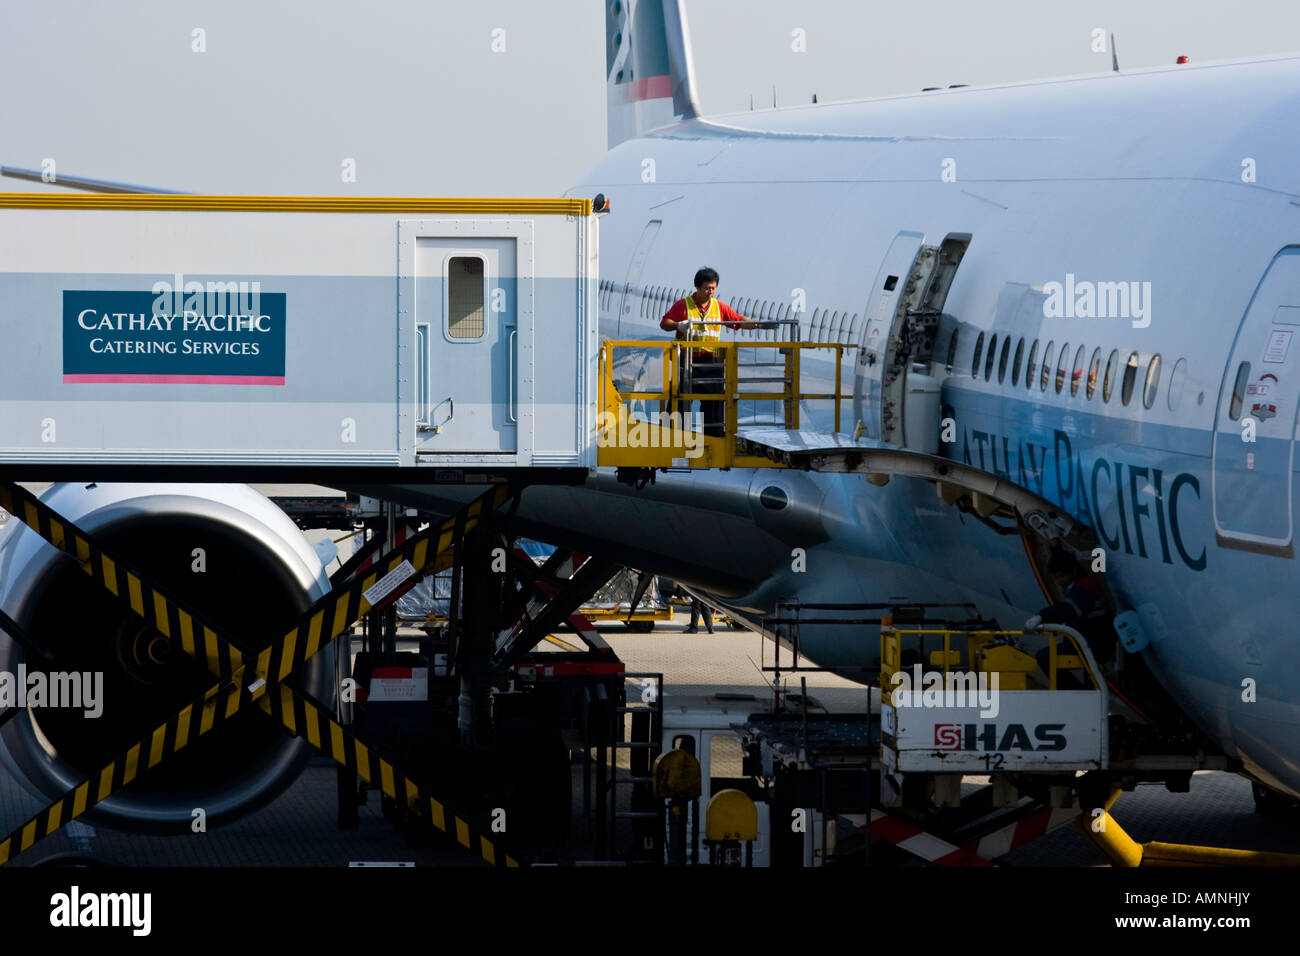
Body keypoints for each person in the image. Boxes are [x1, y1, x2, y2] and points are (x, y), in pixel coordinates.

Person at [659, 267, 757, 437]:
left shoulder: (719, 307)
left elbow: (737, 320)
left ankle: (714, 437)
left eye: (713, 288)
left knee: (715, 403)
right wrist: (677, 325)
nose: (710, 292)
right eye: (707, 288)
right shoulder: (684, 305)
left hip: (711, 362)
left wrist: (756, 324)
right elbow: (664, 323)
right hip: (687, 361)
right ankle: (673, 434)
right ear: (697, 287)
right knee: (680, 400)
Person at [1028, 547, 1114, 685]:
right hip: (1090, 641)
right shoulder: (1081, 585)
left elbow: (1068, 610)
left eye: (1062, 576)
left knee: (1045, 658)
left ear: (1073, 571)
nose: (1059, 581)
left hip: (1095, 644)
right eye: (1056, 577)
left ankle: (1077, 695)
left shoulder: (1085, 588)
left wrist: (1041, 617)